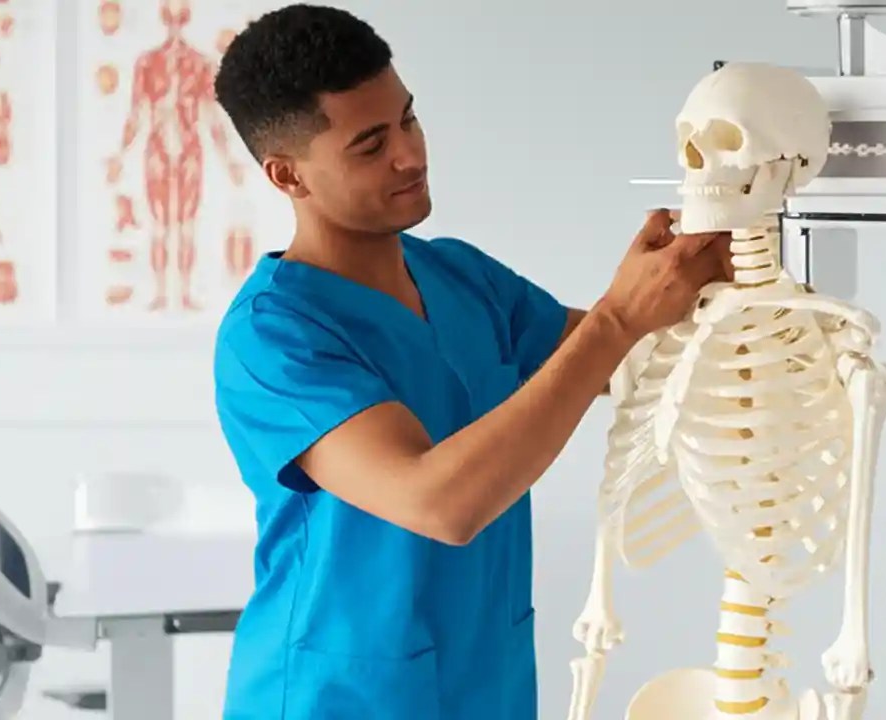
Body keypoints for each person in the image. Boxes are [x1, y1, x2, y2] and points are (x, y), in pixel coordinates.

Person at [211, 5, 731, 719]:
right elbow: (440, 503)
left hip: (485, 683)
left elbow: (631, 364)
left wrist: (714, 274)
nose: (409, 155)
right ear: (286, 176)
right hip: (341, 699)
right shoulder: (274, 336)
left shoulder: (463, 279)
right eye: (370, 145)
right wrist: (619, 317)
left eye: (409, 120)